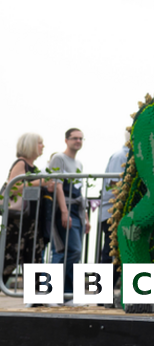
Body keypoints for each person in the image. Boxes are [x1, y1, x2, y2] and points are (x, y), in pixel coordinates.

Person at [4, 133, 60, 278]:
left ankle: (34, 296)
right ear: (30, 145)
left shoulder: (33, 167)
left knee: (33, 257)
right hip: (19, 220)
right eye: (39, 143)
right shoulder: (21, 163)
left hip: (31, 220)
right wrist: (41, 181)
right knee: (10, 256)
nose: (43, 146)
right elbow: (14, 186)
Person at [49, 128, 89, 301]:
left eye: (81, 138)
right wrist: (64, 211)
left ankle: (67, 293)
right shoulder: (59, 158)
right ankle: (50, 291)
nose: (78, 141)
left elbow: (79, 192)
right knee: (66, 249)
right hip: (63, 207)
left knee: (73, 252)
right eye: (75, 138)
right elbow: (57, 184)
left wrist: (85, 217)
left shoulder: (79, 163)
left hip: (77, 209)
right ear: (66, 140)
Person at [98, 134, 129, 264]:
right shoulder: (120, 156)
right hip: (114, 213)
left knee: (117, 253)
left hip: (120, 213)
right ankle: (102, 284)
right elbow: (115, 186)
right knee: (111, 253)